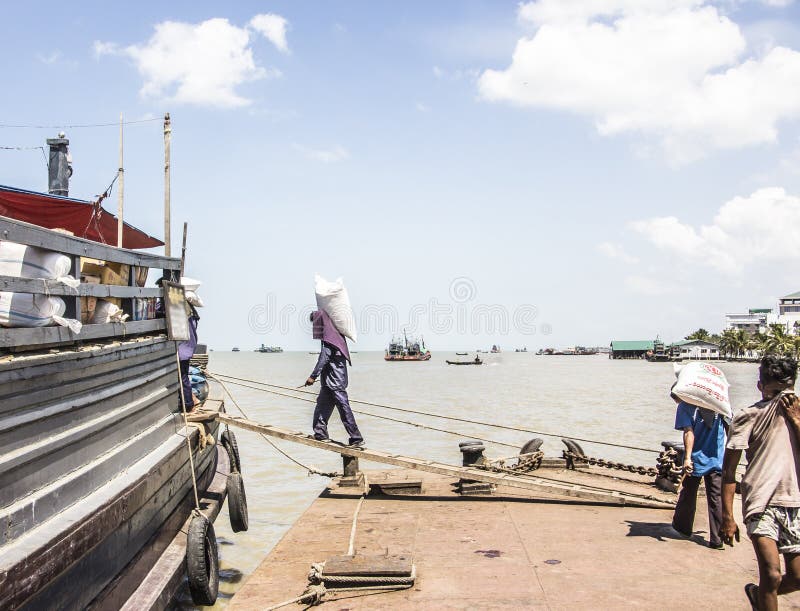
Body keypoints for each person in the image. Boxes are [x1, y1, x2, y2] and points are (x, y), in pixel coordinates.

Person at [721, 355, 800, 610]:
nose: (781, 399)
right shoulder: (748, 416)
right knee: (772, 573)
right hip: (761, 501)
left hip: (794, 500)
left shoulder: (798, 412)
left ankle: (758, 595)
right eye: (776, 393)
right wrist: (727, 516)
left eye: (787, 392)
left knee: (797, 577)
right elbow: (729, 470)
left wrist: (796, 420)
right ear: (761, 387)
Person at [670, 386, 726, 549]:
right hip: (717, 456)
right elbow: (729, 427)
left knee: (688, 492)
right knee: (716, 497)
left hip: (696, 457)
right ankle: (717, 538)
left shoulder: (685, 406)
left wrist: (687, 458)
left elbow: (689, 432)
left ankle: (682, 528)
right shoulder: (718, 403)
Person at [304, 310, 364, 448]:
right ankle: (320, 434)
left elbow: (323, 359)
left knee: (344, 409)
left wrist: (312, 376)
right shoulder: (334, 336)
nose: (315, 326)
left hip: (335, 382)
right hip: (328, 383)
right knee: (321, 408)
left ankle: (356, 438)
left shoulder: (330, 340)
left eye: (315, 323)